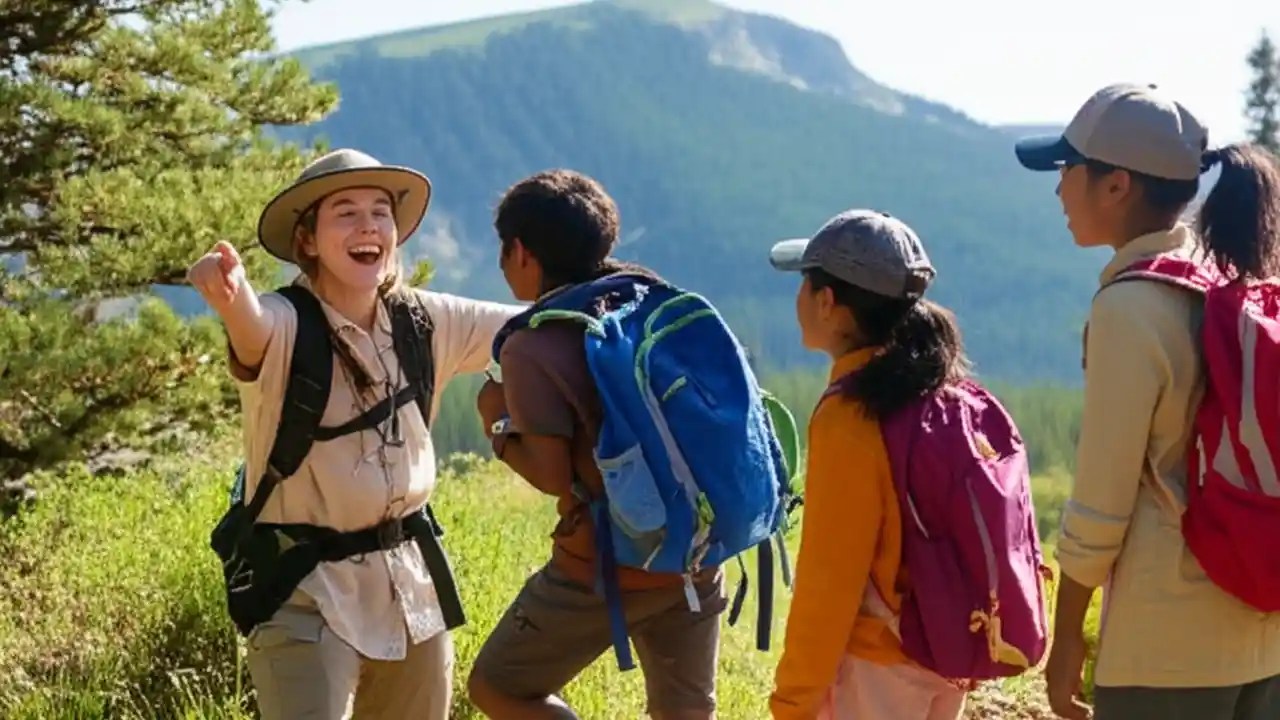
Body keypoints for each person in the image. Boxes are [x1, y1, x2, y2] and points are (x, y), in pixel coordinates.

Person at [187, 148, 522, 720]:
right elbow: (253, 328)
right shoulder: (288, 323)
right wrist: (231, 297)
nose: (368, 226)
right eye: (346, 213)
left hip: (411, 588)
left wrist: (612, 298)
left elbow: (529, 328)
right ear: (308, 240)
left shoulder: (423, 321)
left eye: (380, 213)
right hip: (305, 589)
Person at [1015, 82, 1280, 720]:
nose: (1058, 190)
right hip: (1263, 636)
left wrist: (1067, 637)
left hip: (1167, 646)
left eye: (1068, 168)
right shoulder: (1229, 281)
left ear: (1116, 185)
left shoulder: (1131, 309)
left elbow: (1101, 503)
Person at [466, 169, 727, 720]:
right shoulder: (646, 297)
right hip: (699, 551)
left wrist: (496, 423)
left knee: (497, 687)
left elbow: (552, 475)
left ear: (521, 252)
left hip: (607, 566)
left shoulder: (532, 345)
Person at [766, 209, 979, 720]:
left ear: (826, 302)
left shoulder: (851, 414)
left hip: (876, 672)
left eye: (804, 283)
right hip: (943, 656)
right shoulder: (943, 392)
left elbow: (830, 578)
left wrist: (794, 699)